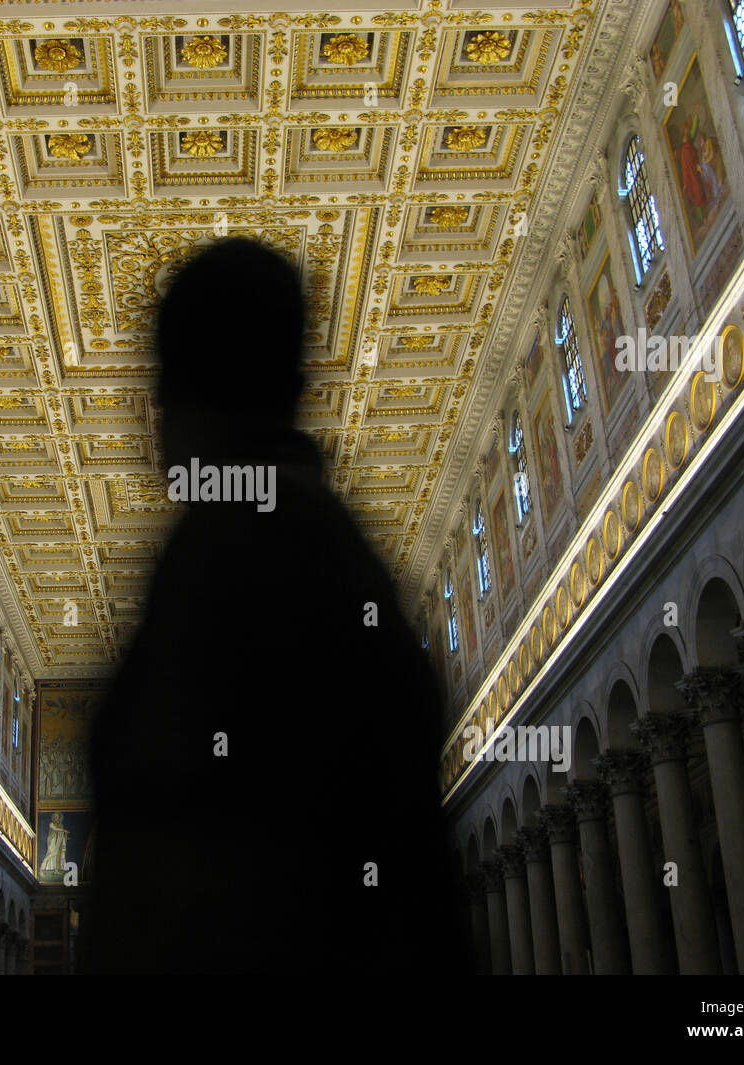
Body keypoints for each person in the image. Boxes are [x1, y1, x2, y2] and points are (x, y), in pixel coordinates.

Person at [83, 237, 463, 974]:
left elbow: (188, 865)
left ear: (188, 394)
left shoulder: (236, 543)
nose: (150, 420)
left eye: (162, 388)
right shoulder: (325, 540)